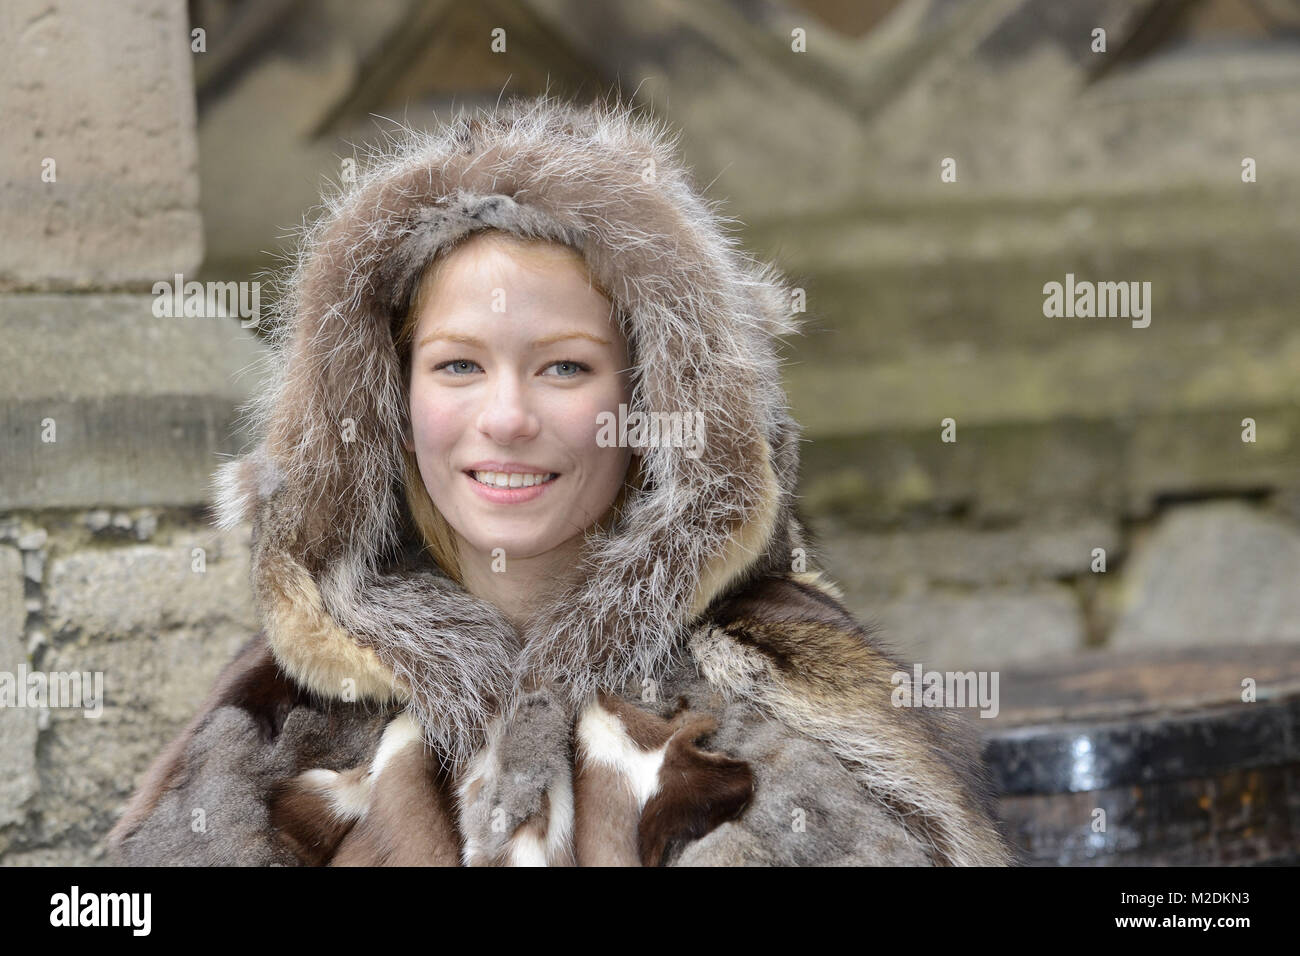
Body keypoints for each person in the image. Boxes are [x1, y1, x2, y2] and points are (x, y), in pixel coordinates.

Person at [107, 94, 1014, 866]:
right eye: (458, 366)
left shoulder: (776, 701)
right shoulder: (282, 720)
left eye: (565, 368)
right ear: (389, 392)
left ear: (655, 398)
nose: (506, 418)